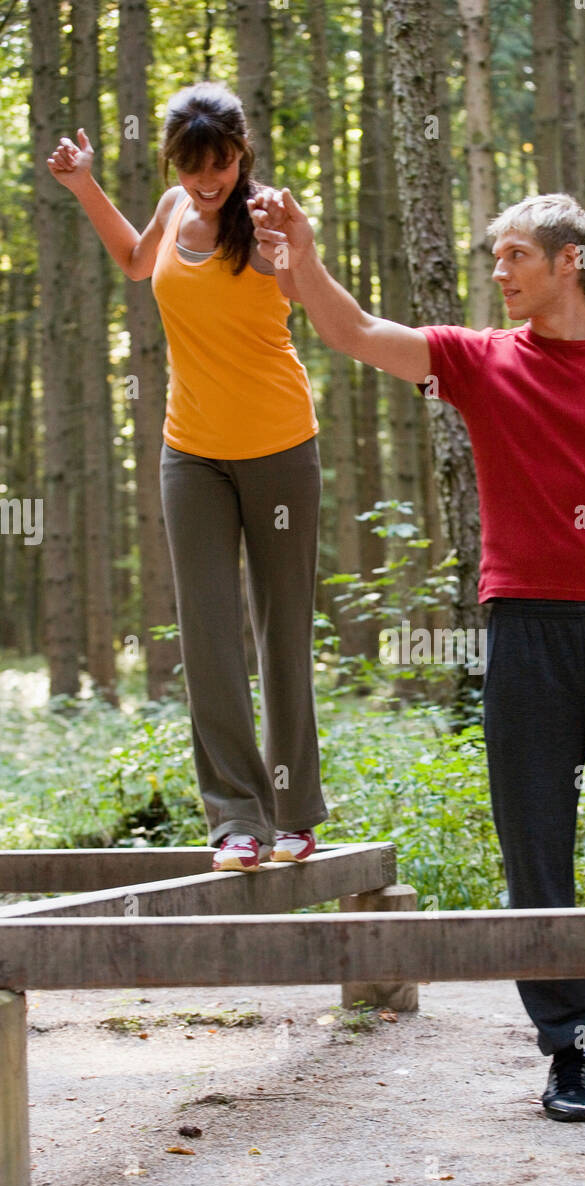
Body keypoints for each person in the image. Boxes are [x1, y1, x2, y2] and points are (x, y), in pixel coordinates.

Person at [250, 187, 585, 1120]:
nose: (500, 272)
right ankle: (568, 1042)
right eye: (496, 256)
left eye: (517, 255)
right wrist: (304, 251)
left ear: (571, 260)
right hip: (526, 629)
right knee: (535, 839)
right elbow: (358, 332)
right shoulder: (477, 360)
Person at [47, 83, 328, 873]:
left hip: (280, 448)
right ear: (175, 162)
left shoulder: (270, 214)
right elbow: (136, 264)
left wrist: (293, 249)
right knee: (207, 639)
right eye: (194, 167)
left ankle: (295, 813)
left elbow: (308, 299)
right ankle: (236, 821)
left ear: (242, 153)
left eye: (223, 165)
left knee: (283, 635)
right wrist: (83, 185)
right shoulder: (173, 210)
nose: (210, 181)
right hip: (190, 453)